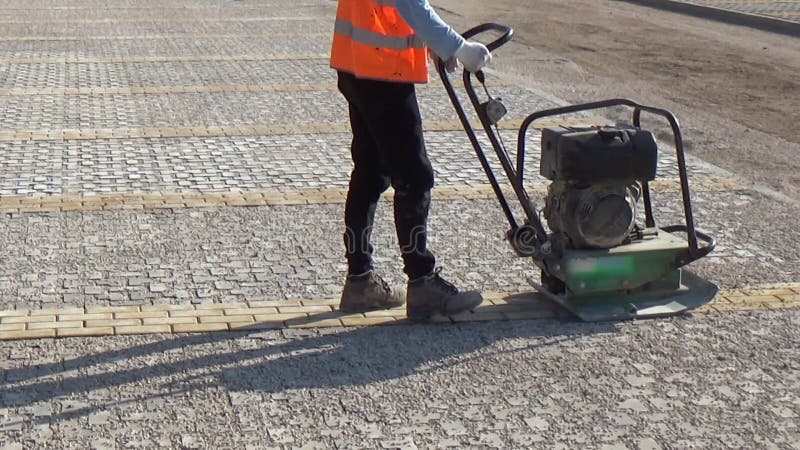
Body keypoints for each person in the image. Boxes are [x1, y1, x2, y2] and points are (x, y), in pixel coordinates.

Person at [330, 0, 492, 321]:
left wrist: (432, 42)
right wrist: (458, 47)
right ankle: (422, 283)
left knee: (370, 173)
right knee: (415, 178)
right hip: (383, 74)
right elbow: (409, 4)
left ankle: (360, 281)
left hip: (356, 65)